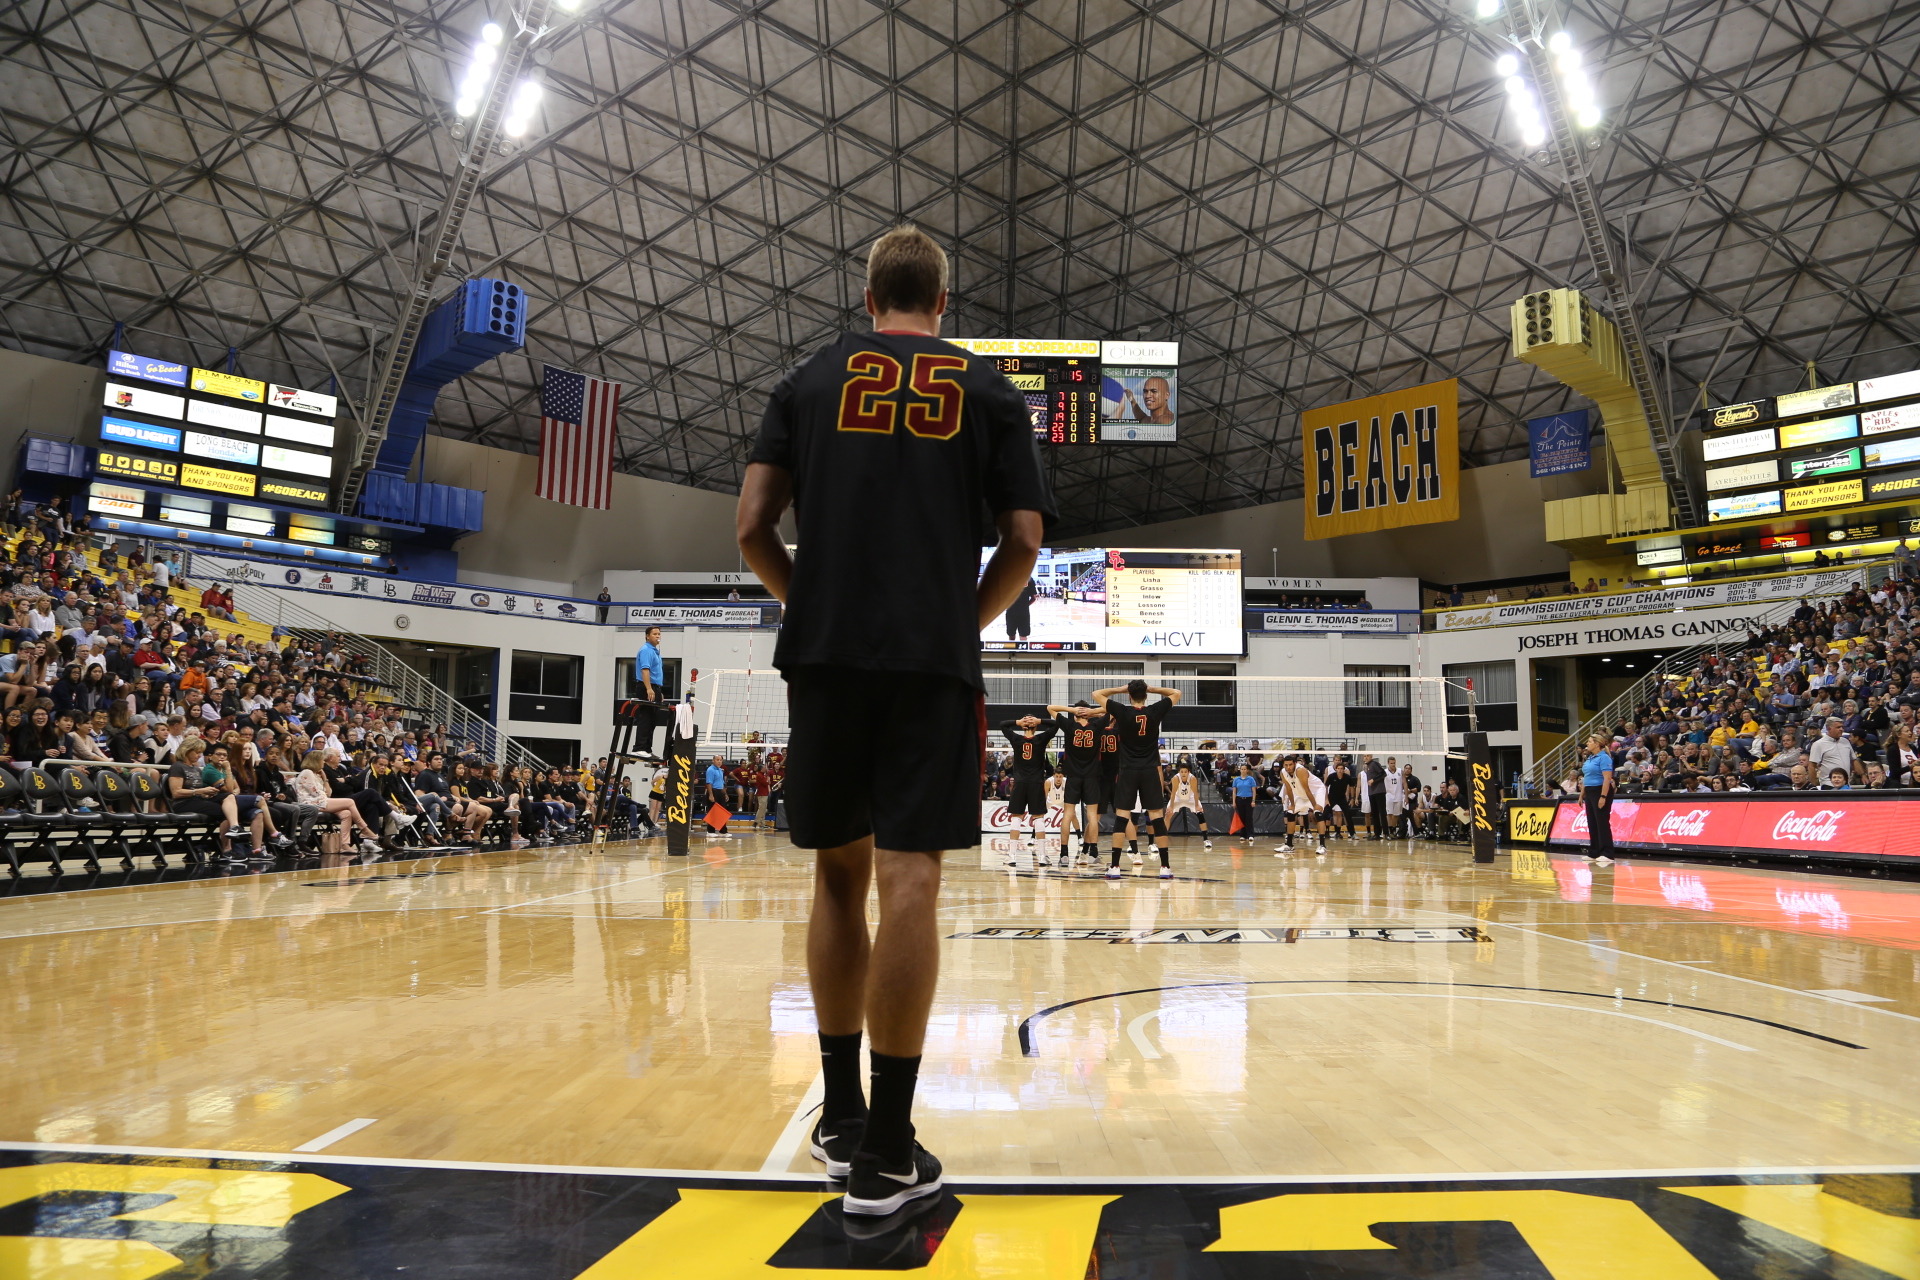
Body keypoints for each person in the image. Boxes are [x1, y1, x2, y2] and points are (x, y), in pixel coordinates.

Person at [734, 224, 1051, 1217]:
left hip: (825, 653)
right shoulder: (990, 393)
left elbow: (750, 526)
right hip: (929, 657)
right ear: (941, 304)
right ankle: (885, 1151)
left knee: (840, 873)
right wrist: (963, 618)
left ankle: (838, 1115)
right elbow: (1026, 539)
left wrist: (810, 598)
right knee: (913, 878)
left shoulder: (807, 382)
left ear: (869, 299)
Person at [1090, 680, 1184, 878]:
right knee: (1156, 817)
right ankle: (1165, 867)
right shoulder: (1154, 710)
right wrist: (1153, 688)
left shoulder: (1122, 711)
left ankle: (1115, 867)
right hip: (1149, 769)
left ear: (1129, 695)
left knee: (1122, 817)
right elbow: (1176, 692)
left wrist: (1119, 688)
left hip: (1128, 770)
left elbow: (1096, 693)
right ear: (1146, 695)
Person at [1047, 700, 1106, 865]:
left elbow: (1050, 708)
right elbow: (1111, 709)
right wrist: (1091, 712)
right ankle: (1093, 853)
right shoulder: (1096, 726)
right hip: (1092, 777)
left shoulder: (1069, 726)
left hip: (1073, 777)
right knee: (1092, 816)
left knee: (1067, 815)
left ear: (1074, 715)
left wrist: (1072, 710)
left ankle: (1064, 855)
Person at [998, 713, 1057, 855]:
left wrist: (1018, 722)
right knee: (1038, 817)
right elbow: (1056, 724)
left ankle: (1011, 856)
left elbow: (1003, 724)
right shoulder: (1041, 739)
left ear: (1023, 727)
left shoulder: (1016, 739)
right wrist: (1039, 721)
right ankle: (1042, 857)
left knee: (1016, 818)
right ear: (1036, 727)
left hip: (1019, 783)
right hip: (1036, 783)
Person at [628, 626, 670, 762]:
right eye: (654, 634)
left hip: (655, 687)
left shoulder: (655, 651)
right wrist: (649, 689)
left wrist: (658, 691)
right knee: (645, 717)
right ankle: (639, 748)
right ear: (647, 636)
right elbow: (645, 671)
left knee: (653, 720)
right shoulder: (646, 650)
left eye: (659, 634)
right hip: (646, 686)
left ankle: (647, 749)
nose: (658, 636)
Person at [1275, 757, 1329, 857]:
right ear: (1283, 765)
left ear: (1295, 763)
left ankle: (1322, 845)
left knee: (1318, 813)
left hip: (1316, 792)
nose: (1288, 767)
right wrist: (1292, 804)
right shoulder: (1283, 772)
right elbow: (1289, 789)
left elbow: (1307, 789)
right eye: (1286, 765)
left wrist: (1314, 806)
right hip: (1300, 793)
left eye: (1290, 764)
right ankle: (1289, 845)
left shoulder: (1300, 770)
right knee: (1290, 813)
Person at [1580, 734, 1615, 866]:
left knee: (1602, 822)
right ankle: (1594, 851)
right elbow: (1586, 777)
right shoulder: (1590, 758)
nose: (1587, 744)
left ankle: (1607, 853)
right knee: (1592, 822)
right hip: (1589, 791)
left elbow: (1607, 778)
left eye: (1589, 741)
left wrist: (1603, 796)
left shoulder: (1604, 758)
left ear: (1597, 743)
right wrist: (1581, 794)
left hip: (1600, 790)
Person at [1166, 761, 1213, 848]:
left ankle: (1206, 840)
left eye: (1185, 772)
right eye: (1181, 772)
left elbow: (1195, 793)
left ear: (1188, 772)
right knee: (1168, 815)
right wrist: (1171, 806)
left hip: (1190, 798)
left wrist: (1197, 805)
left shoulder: (1192, 779)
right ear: (1179, 772)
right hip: (1178, 798)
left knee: (1200, 815)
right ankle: (1163, 839)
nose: (1183, 774)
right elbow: (1173, 793)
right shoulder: (1175, 778)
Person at [1230, 763, 1258, 842]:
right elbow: (1234, 792)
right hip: (1239, 799)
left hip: (1248, 799)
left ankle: (1250, 834)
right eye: (1242, 769)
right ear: (1240, 770)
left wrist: (1253, 801)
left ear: (1247, 770)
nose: (1243, 770)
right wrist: (1234, 802)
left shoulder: (1251, 779)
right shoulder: (1236, 780)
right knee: (1241, 818)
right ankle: (1242, 835)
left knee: (1249, 818)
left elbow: (1254, 791)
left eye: (1244, 769)